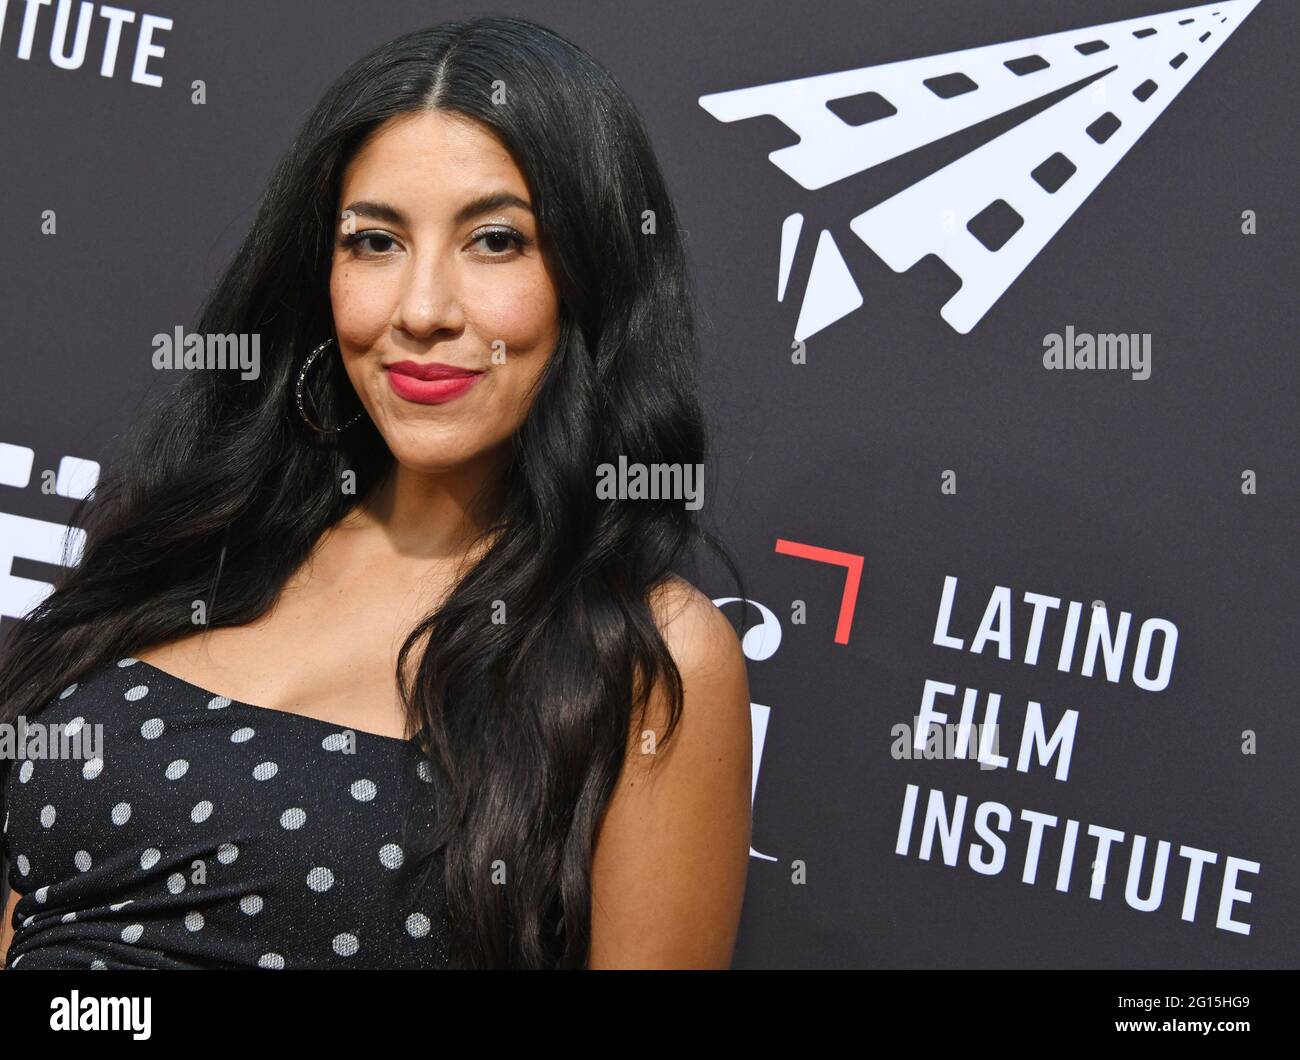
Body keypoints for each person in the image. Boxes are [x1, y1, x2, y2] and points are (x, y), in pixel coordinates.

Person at [0, 15, 751, 970]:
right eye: (375, 241)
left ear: (589, 279)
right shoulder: (193, 545)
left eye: (493, 240)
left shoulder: (641, 652)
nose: (424, 310)